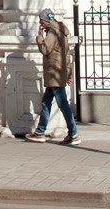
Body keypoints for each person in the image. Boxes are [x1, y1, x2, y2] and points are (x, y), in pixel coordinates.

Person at [22, 9, 80, 146]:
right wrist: (68, 73)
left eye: (41, 21)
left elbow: (45, 49)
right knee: (46, 102)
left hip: (54, 72)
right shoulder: (61, 31)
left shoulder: (53, 32)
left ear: (45, 20)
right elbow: (66, 55)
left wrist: (39, 37)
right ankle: (40, 132)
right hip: (59, 72)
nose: (40, 23)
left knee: (62, 103)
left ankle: (73, 133)